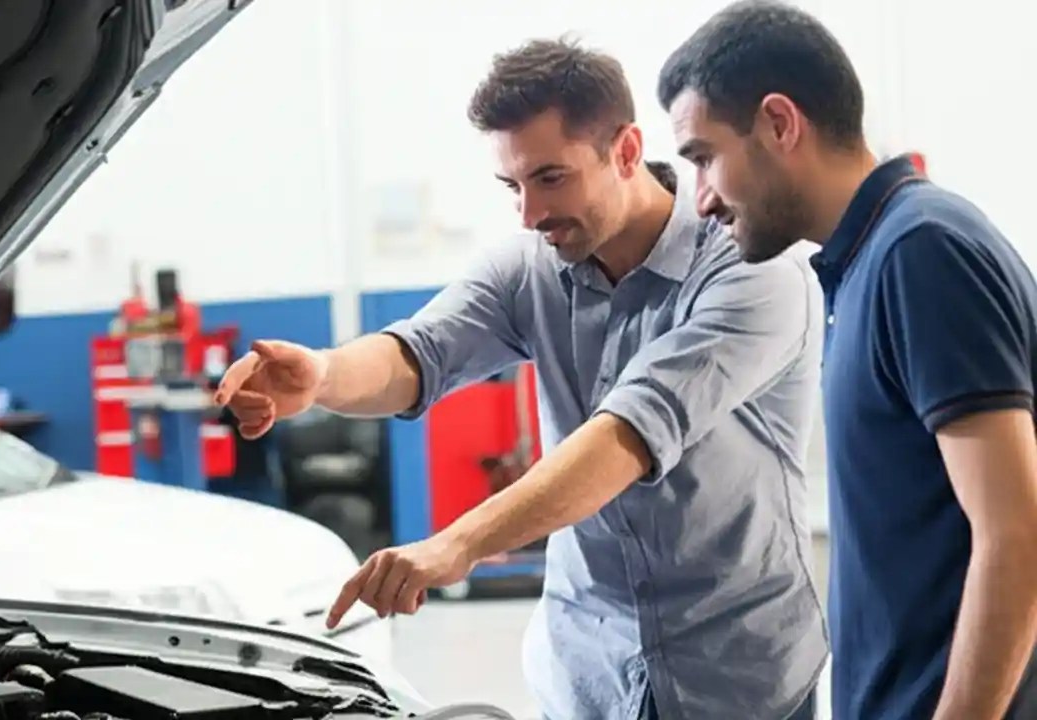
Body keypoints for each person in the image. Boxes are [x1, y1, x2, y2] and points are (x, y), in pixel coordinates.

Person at [216, 38, 825, 719]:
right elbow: (420, 352)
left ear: (625, 151)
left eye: (551, 178)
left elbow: (627, 436)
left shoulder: (754, 270)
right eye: (513, 187)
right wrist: (324, 375)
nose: (530, 214)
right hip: (589, 671)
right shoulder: (532, 265)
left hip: (734, 670)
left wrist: (457, 545)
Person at [656, 2, 1037, 718]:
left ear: (780, 123)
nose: (700, 199)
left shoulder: (921, 252)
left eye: (704, 158)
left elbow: (1018, 534)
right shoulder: (864, 264)